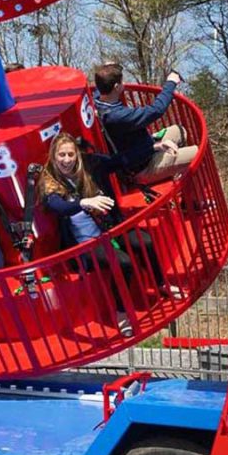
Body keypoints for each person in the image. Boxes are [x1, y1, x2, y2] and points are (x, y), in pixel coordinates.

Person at [38, 133, 162, 337]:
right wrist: (83, 203)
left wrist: (154, 148)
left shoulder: (88, 165)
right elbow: (57, 206)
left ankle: (160, 284)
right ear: (53, 156)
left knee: (144, 241)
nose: (67, 160)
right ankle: (122, 312)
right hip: (86, 242)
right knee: (123, 263)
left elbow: (119, 160)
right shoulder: (49, 180)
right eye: (62, 155)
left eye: (71, 154)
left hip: (108, 226)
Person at [94, 63, 198, 185]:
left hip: (144, 149)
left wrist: (108, 68)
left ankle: (174, 168)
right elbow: (156, 110)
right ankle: (189, 190)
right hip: (143, 167)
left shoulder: (98, 100)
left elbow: (98, 86)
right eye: (122, 82)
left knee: (179, 130)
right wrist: (171, 82)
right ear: (116, 87)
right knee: (197, 152)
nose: (125, 84)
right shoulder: (118, 116)